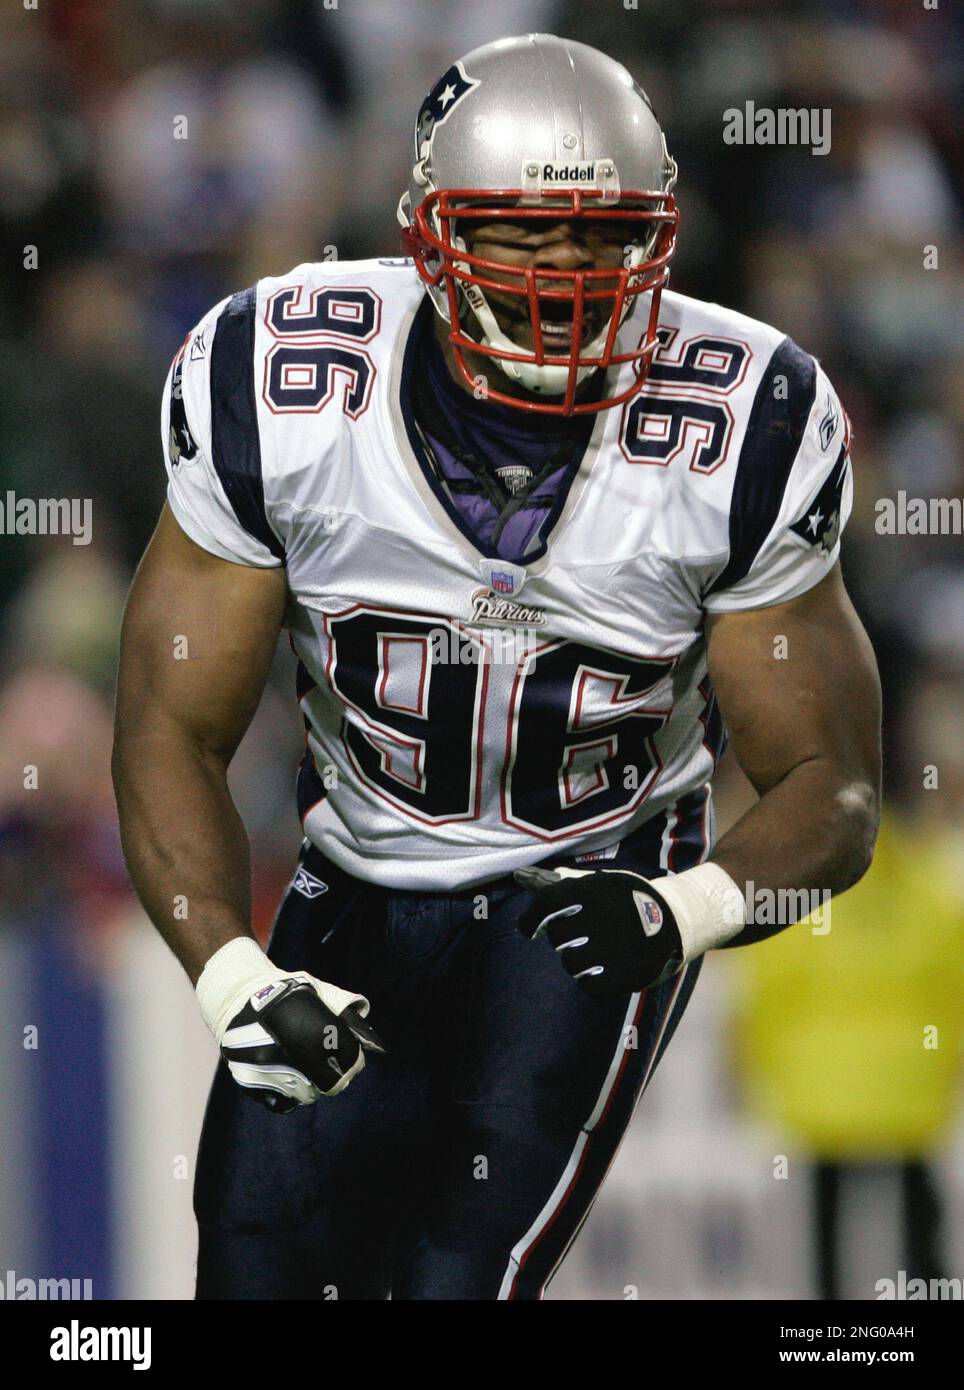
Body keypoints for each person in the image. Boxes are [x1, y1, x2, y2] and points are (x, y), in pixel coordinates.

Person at [112, 33, 881, 1300]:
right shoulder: (282, 381)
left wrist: (677, 909)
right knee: (250, 1270)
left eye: (607, 233)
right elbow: (168, 727)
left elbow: (831, 782)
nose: (573, 270)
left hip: (589, 894)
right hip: (357, 869)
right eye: (525, 231)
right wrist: (233, 973)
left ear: (663, 232)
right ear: (429, 227)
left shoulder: (749, 416)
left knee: (461, 1276)